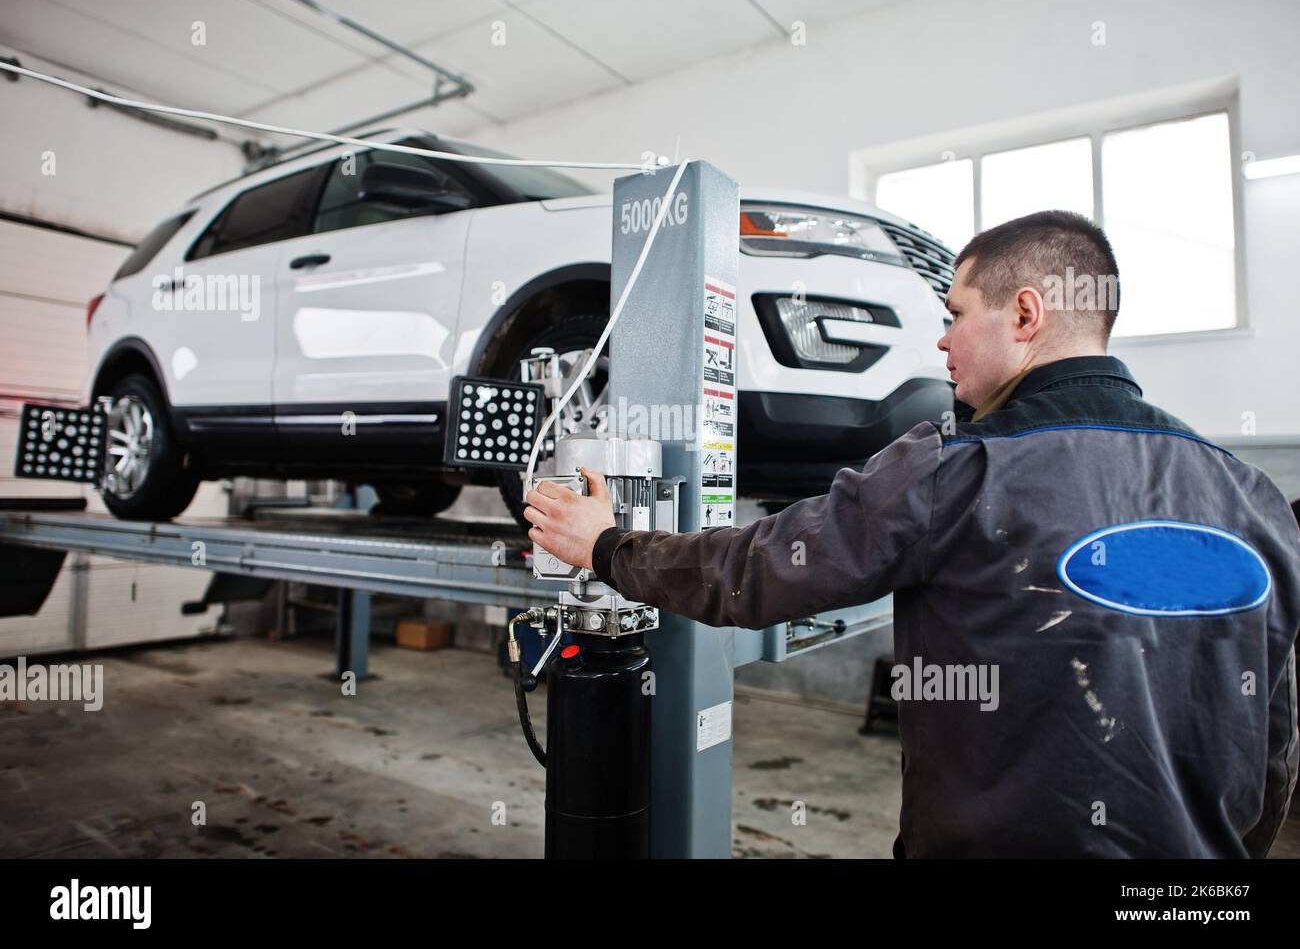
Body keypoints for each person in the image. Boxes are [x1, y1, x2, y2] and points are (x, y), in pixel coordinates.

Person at [524, 210, 1300, 858]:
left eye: (955, 315)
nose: (942, 341)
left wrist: (606, 545)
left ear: (1025, 315)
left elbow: (755, 570)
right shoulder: (1251, 495)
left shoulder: (953, 469)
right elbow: (1274, 742)